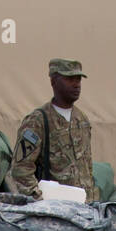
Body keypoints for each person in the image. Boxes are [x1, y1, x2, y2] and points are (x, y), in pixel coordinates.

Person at [11, 59, 98, 200]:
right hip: (55, 211)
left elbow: (87, 166)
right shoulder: (37, 121)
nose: (76, 85)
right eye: (70, 79)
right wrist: (39, 198)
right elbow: (20, 168)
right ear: (53, 81)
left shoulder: (82, 120)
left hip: (84, 209)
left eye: (78, 80)